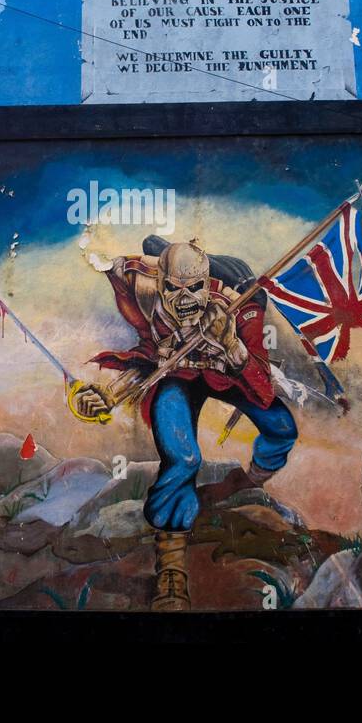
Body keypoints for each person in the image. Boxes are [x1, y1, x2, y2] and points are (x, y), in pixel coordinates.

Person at [74, 241, 298, 611]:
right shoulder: (142, 296)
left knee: (282, 429)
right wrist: (108, 396)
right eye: (172, 289)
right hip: (177, 378)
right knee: (183, 458)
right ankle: (172, 569)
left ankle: (241, 486)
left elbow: (261, 388)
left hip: (226, 374)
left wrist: (230, 346)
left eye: (192, 289)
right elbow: (149, 358)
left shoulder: (242, 306)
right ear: (159, 284)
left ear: (207, 284)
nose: (183, 300)